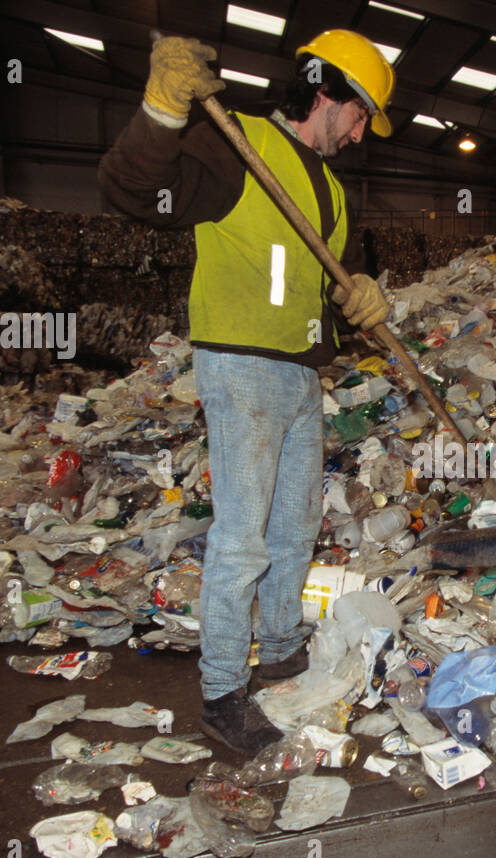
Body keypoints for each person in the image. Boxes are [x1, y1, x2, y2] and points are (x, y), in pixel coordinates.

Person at [98, 31, 394, 754]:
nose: (359, 135)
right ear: (328, 92)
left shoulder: (328, 189)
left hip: (299, 373)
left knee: (294, 531)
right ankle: (223, 691)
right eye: (359, 115)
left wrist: (361, 299)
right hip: (240, 367)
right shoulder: (236, 146)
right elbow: (132, 190)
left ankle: (284, 649)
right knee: (242, 541)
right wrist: (163, 111)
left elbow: (338, 279)